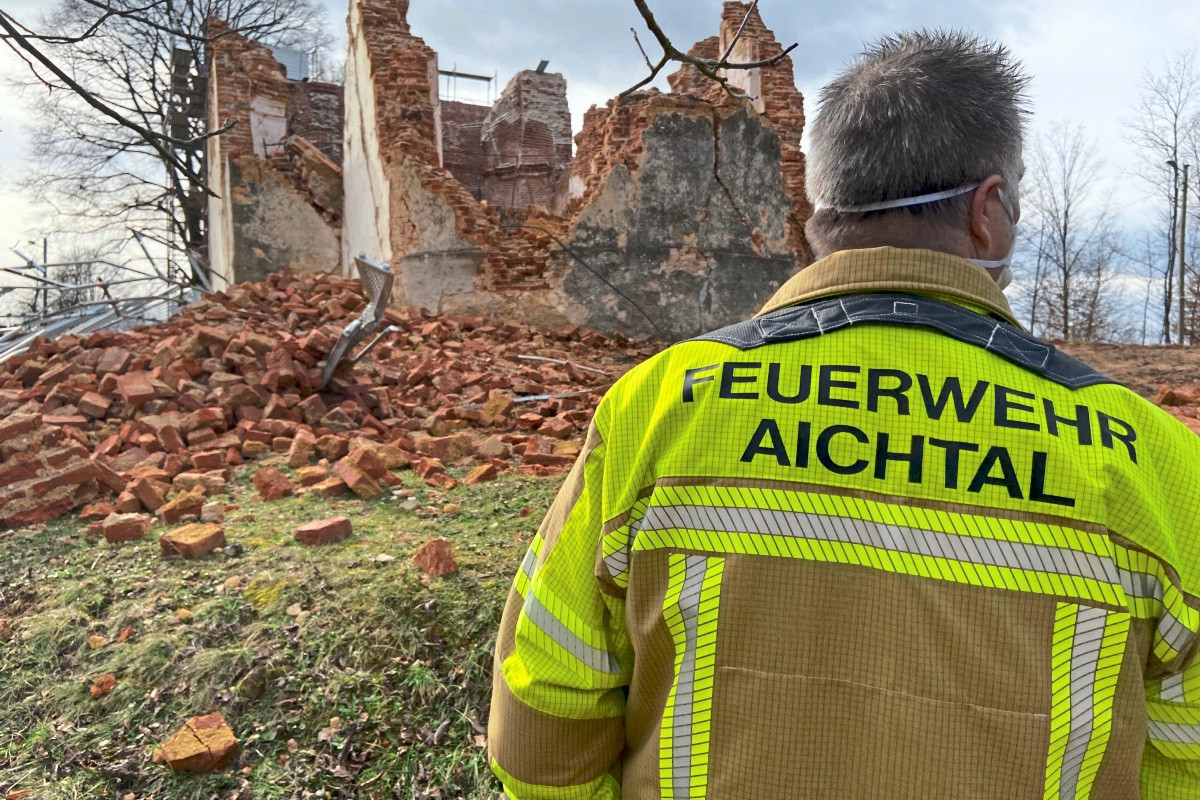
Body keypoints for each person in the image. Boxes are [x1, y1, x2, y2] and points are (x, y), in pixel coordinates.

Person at [488, 30, 1200, 800]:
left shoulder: (662, 408)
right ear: (988, 213)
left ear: (817, 212)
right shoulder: (1149, 458)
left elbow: (540, 729)